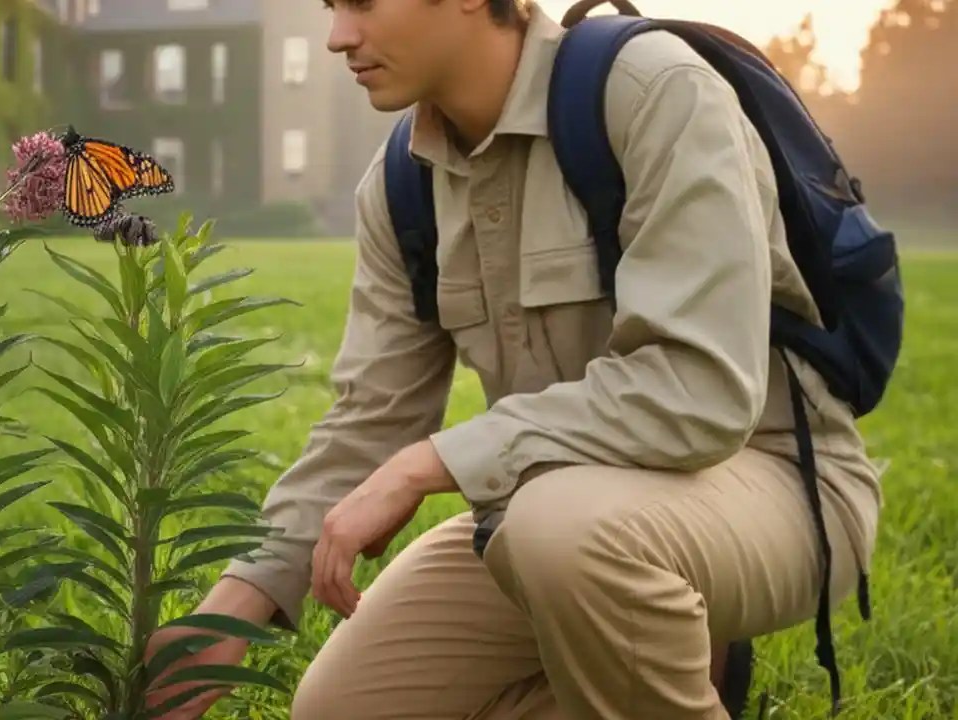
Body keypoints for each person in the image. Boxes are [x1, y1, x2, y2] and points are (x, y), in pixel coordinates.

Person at [144, 0, 883, 718]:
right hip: (556, 519)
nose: (337, 36)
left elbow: (699, 390)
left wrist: (423, 466)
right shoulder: (402, 184)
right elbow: (371, 419)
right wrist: (230, 612)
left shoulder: (657, 91)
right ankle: (666, 660)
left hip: (770, 482)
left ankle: (655, 643)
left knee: (558, 532)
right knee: (345, 707)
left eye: (362, 2)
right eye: (332, 5)